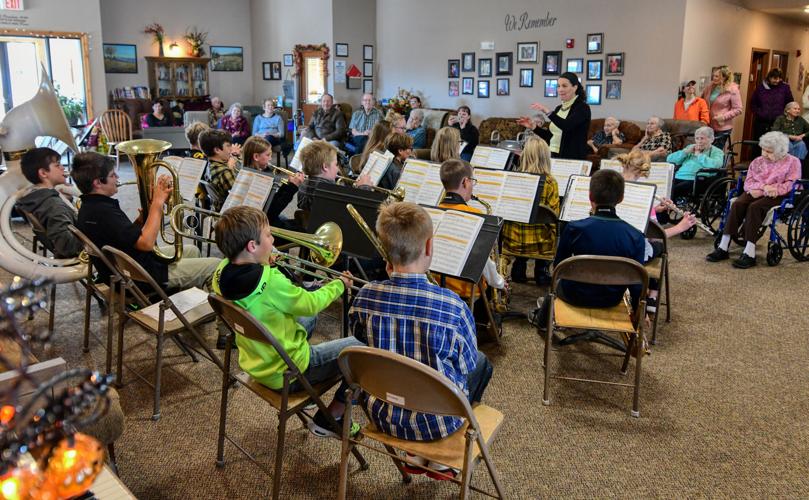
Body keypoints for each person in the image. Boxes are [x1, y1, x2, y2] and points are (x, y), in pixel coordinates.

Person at [348, 201, 492, 477]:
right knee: (482, 363)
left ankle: (413, 454)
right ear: (429, 248)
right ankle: (441, 459)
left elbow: (360, 338)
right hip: (438, 421)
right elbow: (466, 364)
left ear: (385, 251)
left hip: (382, 414)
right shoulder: (453, 306)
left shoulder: (365, 295)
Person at [211, 205, 362, 438]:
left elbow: (283, 302)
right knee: (366, 346)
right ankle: (334, 417)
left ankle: (313, 397)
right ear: (252, 247)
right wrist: (338, 285)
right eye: (269, 236)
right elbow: (310, 302)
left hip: (257, 362)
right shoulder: (271, 282)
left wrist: (264, 264)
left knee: (307, 319)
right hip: (291, 373)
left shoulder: (220, 273)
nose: (273, 240)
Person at [72, 152, 221, 289]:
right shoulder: (104, 212)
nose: (117, 177)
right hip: (142, 277)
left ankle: (188, 296)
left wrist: (141, 221)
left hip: (129, 268)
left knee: (192, 250)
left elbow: (120, 236)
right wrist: (157, 203)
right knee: (216, 266)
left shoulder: (89, 207)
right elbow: (146, 244)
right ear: (98, 183)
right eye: (112, 175)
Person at [530, 169, 646, 328]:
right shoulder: (636, 236)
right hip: (611, 299)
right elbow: (636, 284)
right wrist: (640, 313)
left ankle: (542, 319)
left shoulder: (573, 228)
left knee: (556, 285)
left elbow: (559, 268)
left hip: (573, 295)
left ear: (590, 196)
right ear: (621, 199)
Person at [706, 131, 800, 269]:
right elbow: (749, 181)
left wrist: (773, 189)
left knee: (755, 207)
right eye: (763, 149)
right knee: (738, 203)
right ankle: (723, 246)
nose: (764, 154)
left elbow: (793, 183)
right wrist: (763, 187)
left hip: (778, 194)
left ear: (781, 151)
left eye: (769, 151)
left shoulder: (792, 162)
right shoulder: (758, 161)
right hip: (757, 190)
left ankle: (750, 253)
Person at [436, 159, 506, 312]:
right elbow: (484, 262)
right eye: (473, 181)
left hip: (435, 283)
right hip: (465, 289)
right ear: (465, 182)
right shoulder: (476, 216)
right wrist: (499, 282)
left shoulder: (434, 212)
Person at [500, 138, 559, 285]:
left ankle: (519, 267)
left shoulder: (512, 179)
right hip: (540, 243)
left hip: (513, 240)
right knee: (550, 227)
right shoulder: (550, 182)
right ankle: (541, 271)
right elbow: (554, 216)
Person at [16, 147, 82, 258]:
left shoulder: (35, 197)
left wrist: (66, 200)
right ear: (43, 173)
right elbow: (67, 247)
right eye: (57, 165)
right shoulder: (53, 205)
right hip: (84, 254)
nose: (62, 168)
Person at [517, 72, 591, 160]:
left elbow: (566, 126)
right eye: (558, 86)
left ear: (575, 87)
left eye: (564, 86)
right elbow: (549, 136)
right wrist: (533, 126)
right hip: (552, 155)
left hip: (571, 158)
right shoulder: (559, 108)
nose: (560, 89)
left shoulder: (582, 107)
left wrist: (547, 111)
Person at [242, 136, 304, 227]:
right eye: (268, 155)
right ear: (256, 156)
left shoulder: (248, 172)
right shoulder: (257, 179)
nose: (270, 159)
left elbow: (271, 200)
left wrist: (287, 185)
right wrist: (292, 187)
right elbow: (272, 212)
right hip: (263, 225)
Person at [297, 141, 371, 212]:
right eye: (336, 164)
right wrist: (363, 189)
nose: (338, 169)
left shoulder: (303, 184)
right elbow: (353, 213)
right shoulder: (330, 191)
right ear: (325, 166)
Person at [666, 126, 724, 199]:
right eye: (697, 138)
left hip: (697, 179)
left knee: (672, 191)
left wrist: (699, 155)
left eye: (702, 138)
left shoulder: (717, 151)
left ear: (711, 139)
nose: (699, 141)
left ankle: (668, 209)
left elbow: (716, 164)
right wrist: (685, 152)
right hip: (678, 176)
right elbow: (670, 159)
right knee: (663, 189)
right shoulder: (690, 147)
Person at [702, 65, 743, 149]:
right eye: (713, 75)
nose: (714, 78)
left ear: (724, 77)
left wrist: (723, 117)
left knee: (715, 153)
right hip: (708, 125)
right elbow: (702, 101)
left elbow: (738, 109)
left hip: (722, 127)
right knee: (706, 151)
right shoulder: (709, 87)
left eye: (717, 76)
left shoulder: (733, 89)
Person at [750, 68, 794, 147]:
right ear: (769, 77)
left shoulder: (785, 88)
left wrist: (784, 116)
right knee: (759, 146)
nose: (777, 81)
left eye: (779, 78)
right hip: (761, 123)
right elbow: (753, 103)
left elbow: (790, 103)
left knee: (774, 147)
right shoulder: (761, 88)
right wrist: (760, 113)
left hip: (778, 123)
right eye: (774, 78)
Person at [200, 129, 239, 211]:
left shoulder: (209, 165)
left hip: (217, 209)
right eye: (228, 146)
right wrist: (230, 168)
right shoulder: (225, 172)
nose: (231, 149)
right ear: (217, 150)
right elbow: (238, 196)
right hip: (230, 213)